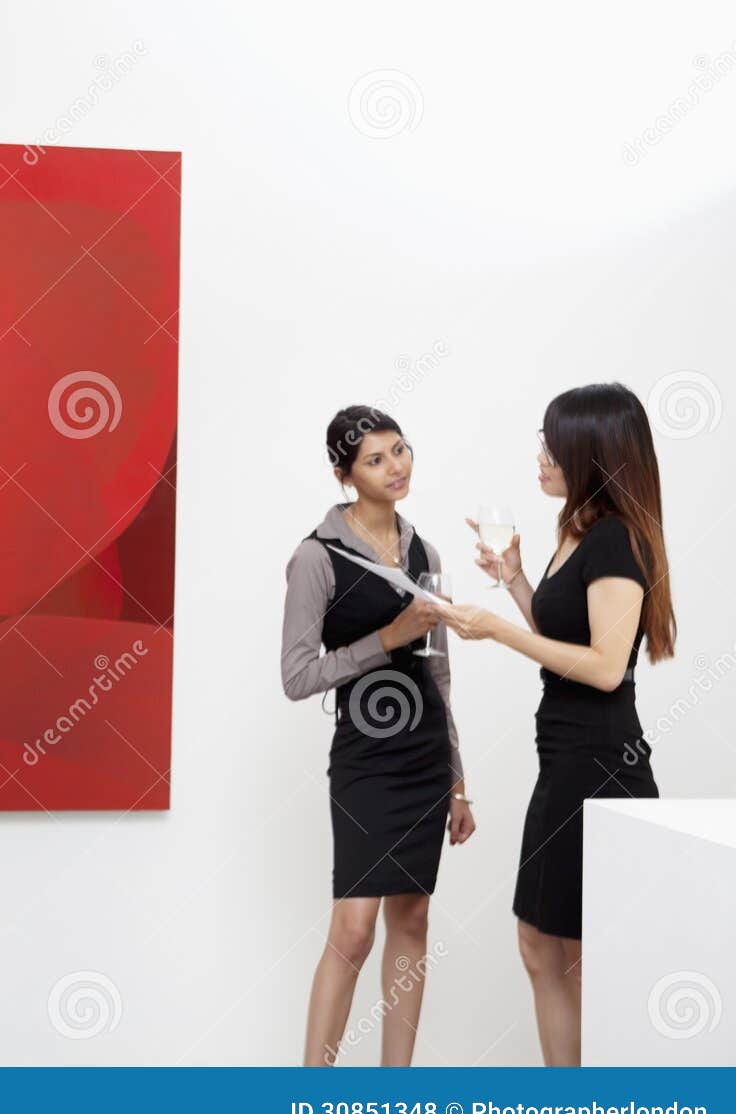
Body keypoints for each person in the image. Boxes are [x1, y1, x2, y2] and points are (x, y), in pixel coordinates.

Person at [438, 382, 675, 1066]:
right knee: (544, 943)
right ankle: (570, 1109)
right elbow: (565, 634)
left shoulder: (617, 542)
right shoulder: (577, 531)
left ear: (593, 453)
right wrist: (515, 580)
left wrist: (495, 629)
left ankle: (609, 1112)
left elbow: (603, 666)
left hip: (601, 762)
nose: (541, 456)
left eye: (554, 444)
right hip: (564, 757)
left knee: (590, 953)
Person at [282, 406, 475, 1066]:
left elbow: (439, 671)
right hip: (365, 760)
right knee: (353, 931)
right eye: (375, 458)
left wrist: (457, 779)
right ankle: (308, 1097)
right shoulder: (316, 556)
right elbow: (298, 675)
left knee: (412, 920)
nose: (396, 467)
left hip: (424, 756)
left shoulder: (428, 553)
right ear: (344, 474)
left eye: (401, 450)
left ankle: (396, 1097)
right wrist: (384, 639)